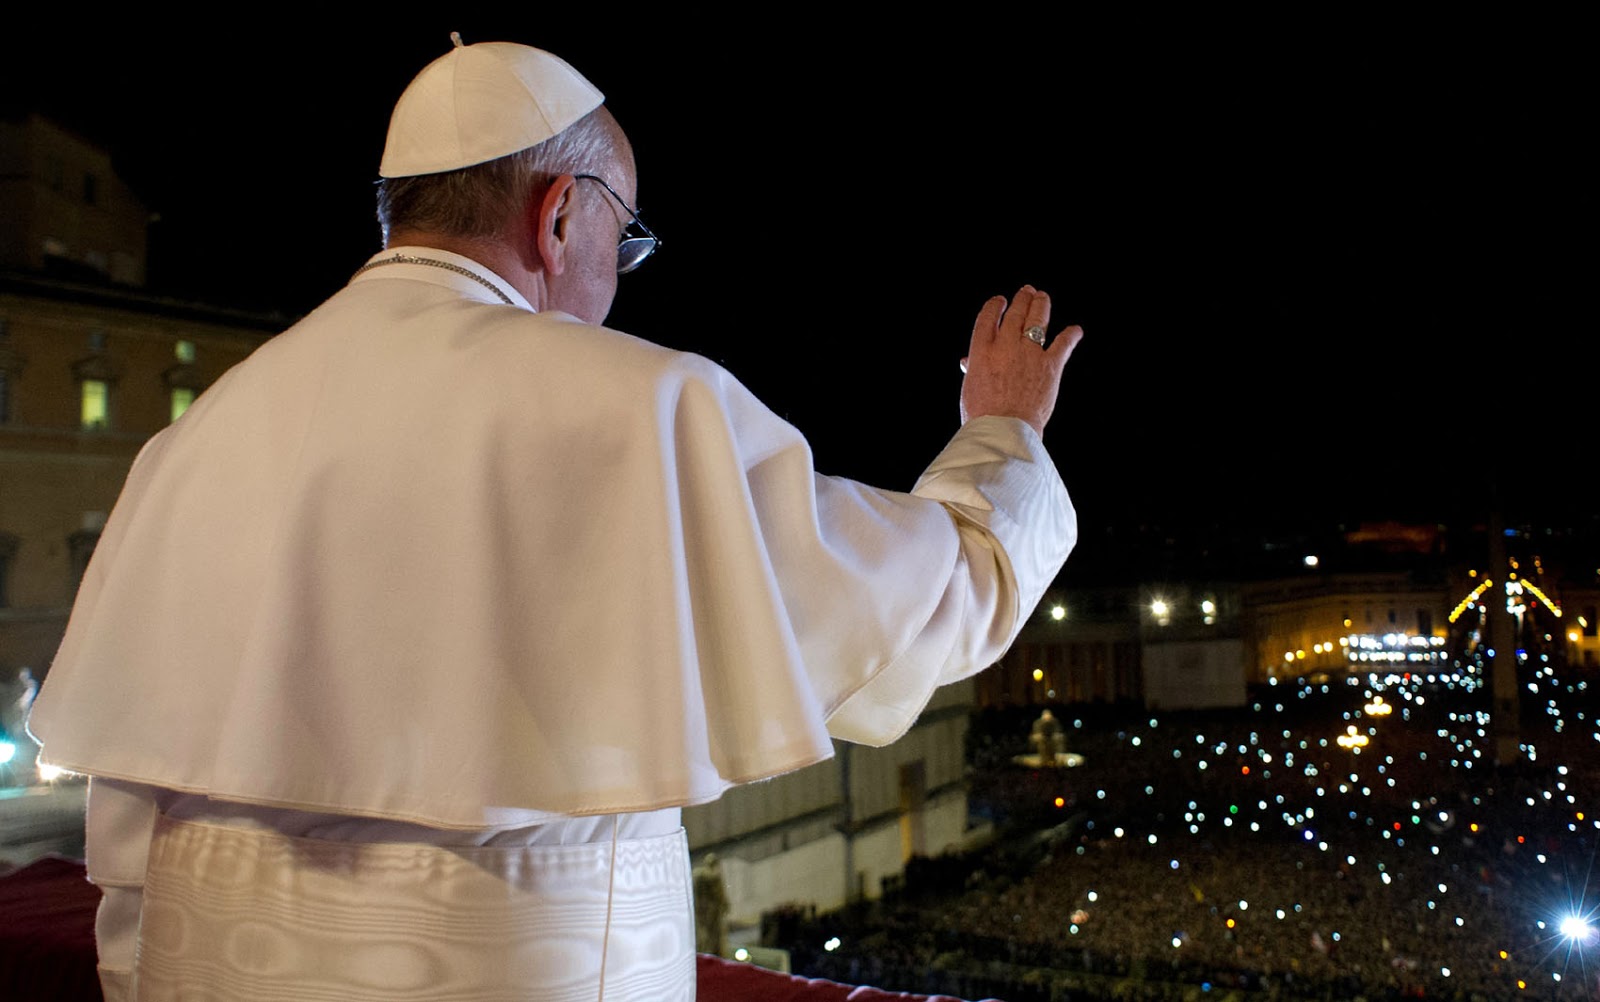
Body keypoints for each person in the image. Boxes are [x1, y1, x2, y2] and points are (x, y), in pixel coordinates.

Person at [27, 36, 1083, 1001]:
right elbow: (933, 602)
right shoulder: (644, 407)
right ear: (561, 214)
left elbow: (129, 851)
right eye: (623, 239)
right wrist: (1003, 432)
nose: (616, 278)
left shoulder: (200, 433)